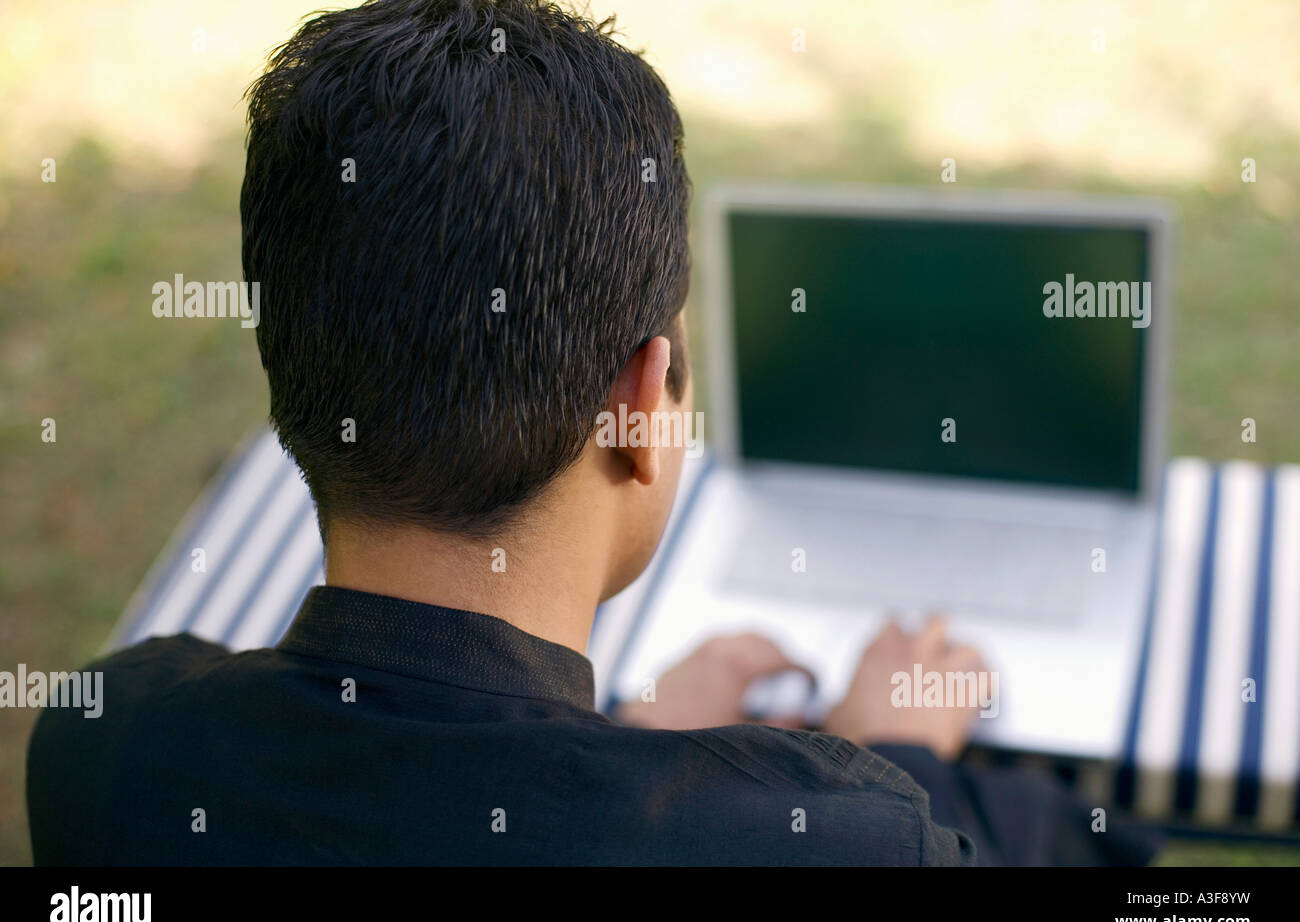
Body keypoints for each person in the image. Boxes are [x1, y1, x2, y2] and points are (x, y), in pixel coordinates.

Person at [27, 0, 1158, 866]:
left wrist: (641, 732)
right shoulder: (842, 839)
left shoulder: (106, 745)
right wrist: (887, 758)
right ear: (638, 405)